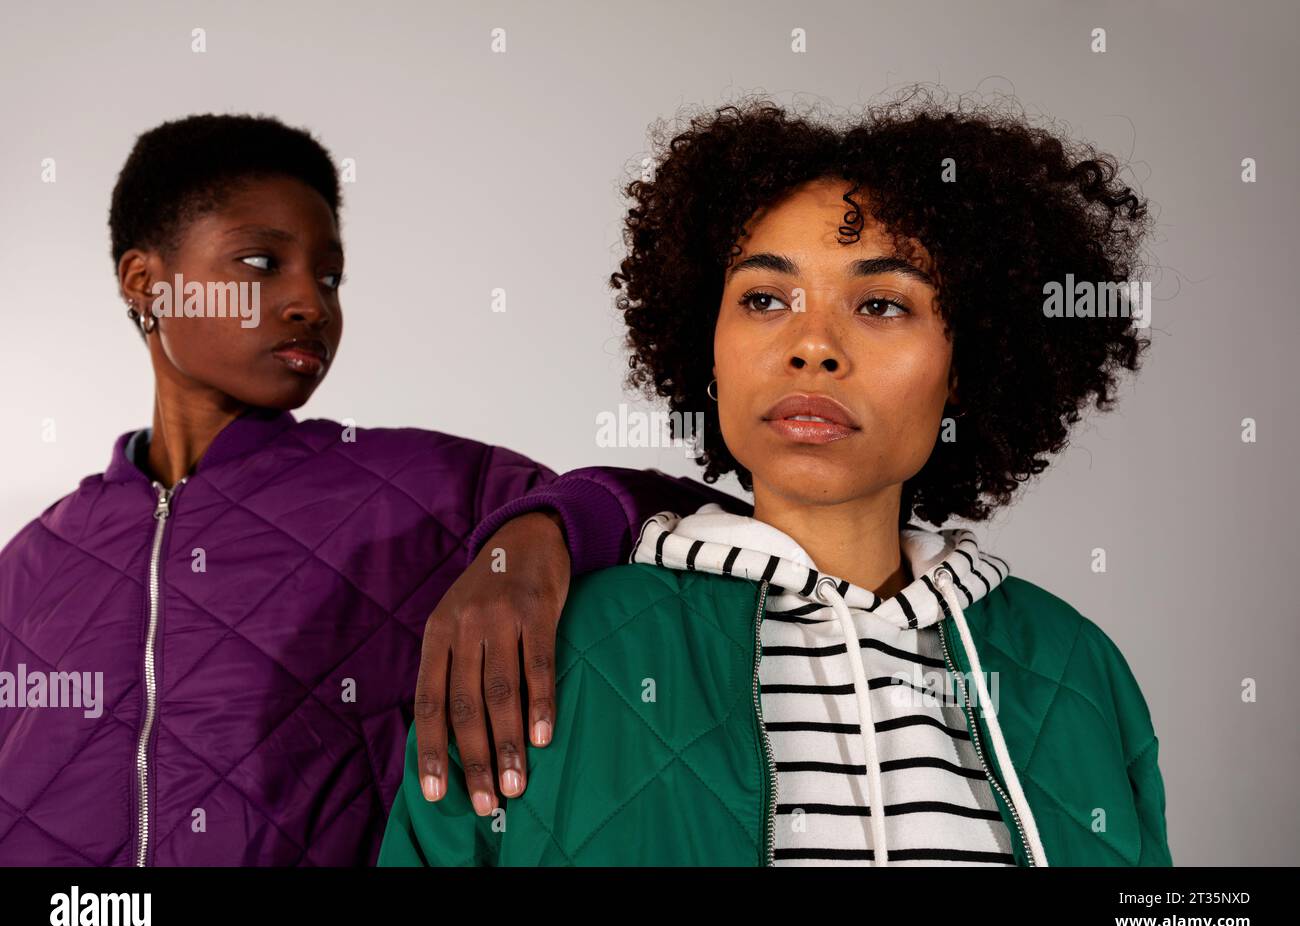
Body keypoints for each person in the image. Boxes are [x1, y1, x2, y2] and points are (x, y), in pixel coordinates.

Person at [382, 92, 1173, 866]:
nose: (814, 346)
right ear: (711, 349)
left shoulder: (1076, 665)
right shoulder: (554, 642)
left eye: (883, 304)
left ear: (965, 365)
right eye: (764, 298)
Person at [0, 113, 740, 866]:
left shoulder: (431, 490)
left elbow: (697, 517)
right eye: (260, 262)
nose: (309, 304)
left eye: (329, 277)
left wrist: (536, 535)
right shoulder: (31, 559)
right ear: (146, 283)